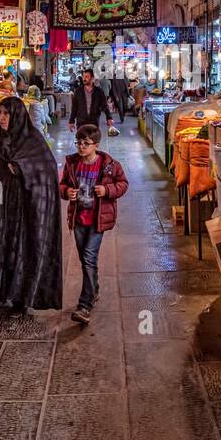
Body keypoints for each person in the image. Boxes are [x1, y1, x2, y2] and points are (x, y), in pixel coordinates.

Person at [0, 96, 62, 332]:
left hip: (24, 214)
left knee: (21, 255)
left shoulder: (32, 141)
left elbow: (47, 169)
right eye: (0, 113)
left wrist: (21, 168)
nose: (2, 118)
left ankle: (19, 300)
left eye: (6, 114)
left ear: (18, 116)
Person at [58, 125, 129, 324]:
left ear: (95, 145)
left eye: (86, 144)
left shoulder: (109, 165)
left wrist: (107, 190)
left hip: (98, 220)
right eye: (78, 143)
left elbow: (123, 184)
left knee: (89, 258)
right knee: (85, 259)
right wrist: (66, 192)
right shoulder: (72, 163)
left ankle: (85, 305)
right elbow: (62, 184)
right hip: (78, 219)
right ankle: (94, 288)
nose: (81, 147)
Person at [69, 67, 113, 134]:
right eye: (83, 76)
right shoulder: (78, 91)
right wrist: (71, 121)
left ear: (92, 78)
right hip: (81, 122)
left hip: (94, 122)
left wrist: (109, 117)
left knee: (92, 142)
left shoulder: (99, 92)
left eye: (86, 77)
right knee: (82, 143)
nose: (84, 79)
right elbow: (74, 107)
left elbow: (105, 105)